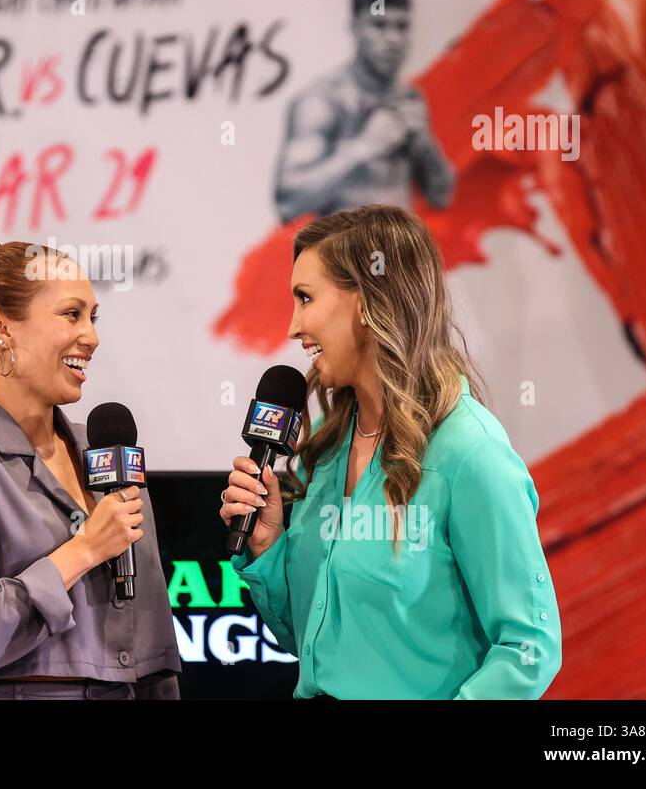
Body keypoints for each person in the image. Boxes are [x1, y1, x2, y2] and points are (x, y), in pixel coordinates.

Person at [220, 204, 562, 698]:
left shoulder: (470, 453)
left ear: (366, 302)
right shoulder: (333, 445)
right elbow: (312, 641)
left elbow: (531, 648)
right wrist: (268, 546)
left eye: (306, 298)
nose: (293, 327)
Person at [0, 229, 181, 699]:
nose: (92, 336)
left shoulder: (107, 454)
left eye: (93, 317)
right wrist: (81, 551)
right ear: (2, 329)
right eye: (71, 315)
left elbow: (151, 649)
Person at [273, 0, 455, 222]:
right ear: (354, 29)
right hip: (341, 257)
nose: (392, 39)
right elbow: (288, 202)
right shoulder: (322, 101)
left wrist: (425, 146)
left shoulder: (409, 99)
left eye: (401, 27)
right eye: (379, 26)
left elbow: (441, 196)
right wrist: (362, 148)